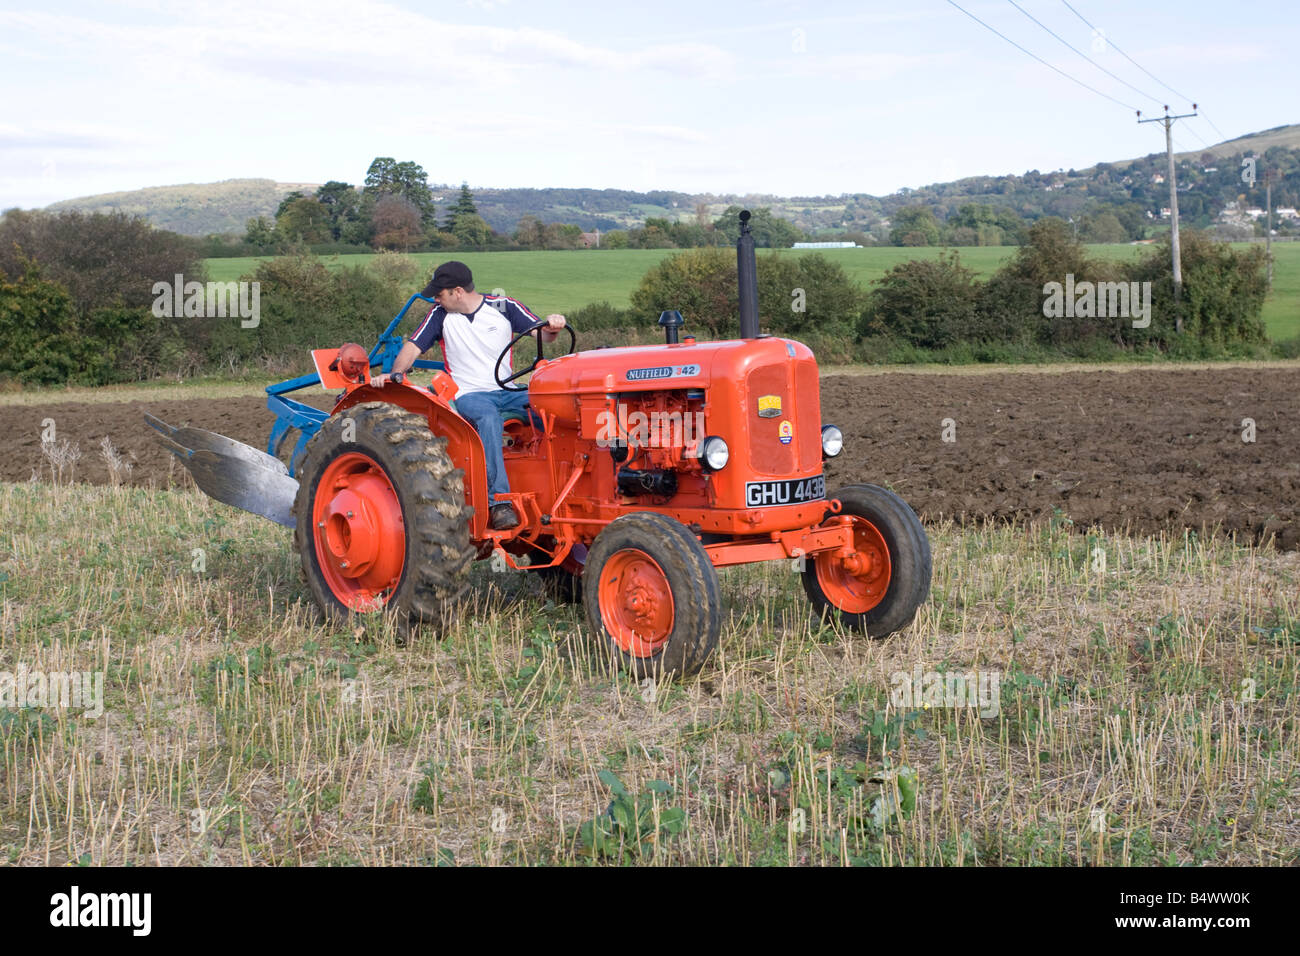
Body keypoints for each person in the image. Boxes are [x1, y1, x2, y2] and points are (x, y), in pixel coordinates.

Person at [370, 261, 567, 530]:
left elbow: (543, 334)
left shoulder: (505, 306)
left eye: (440, 293)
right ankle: (498, 503)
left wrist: (553, 325)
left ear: (458, 291)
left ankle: (562, 490)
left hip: (508, 391)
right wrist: (395, 375)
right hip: (469, 394)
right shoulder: (439, 315)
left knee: (552, 408)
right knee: (488, 418)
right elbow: (413, 348)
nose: (436, 298)